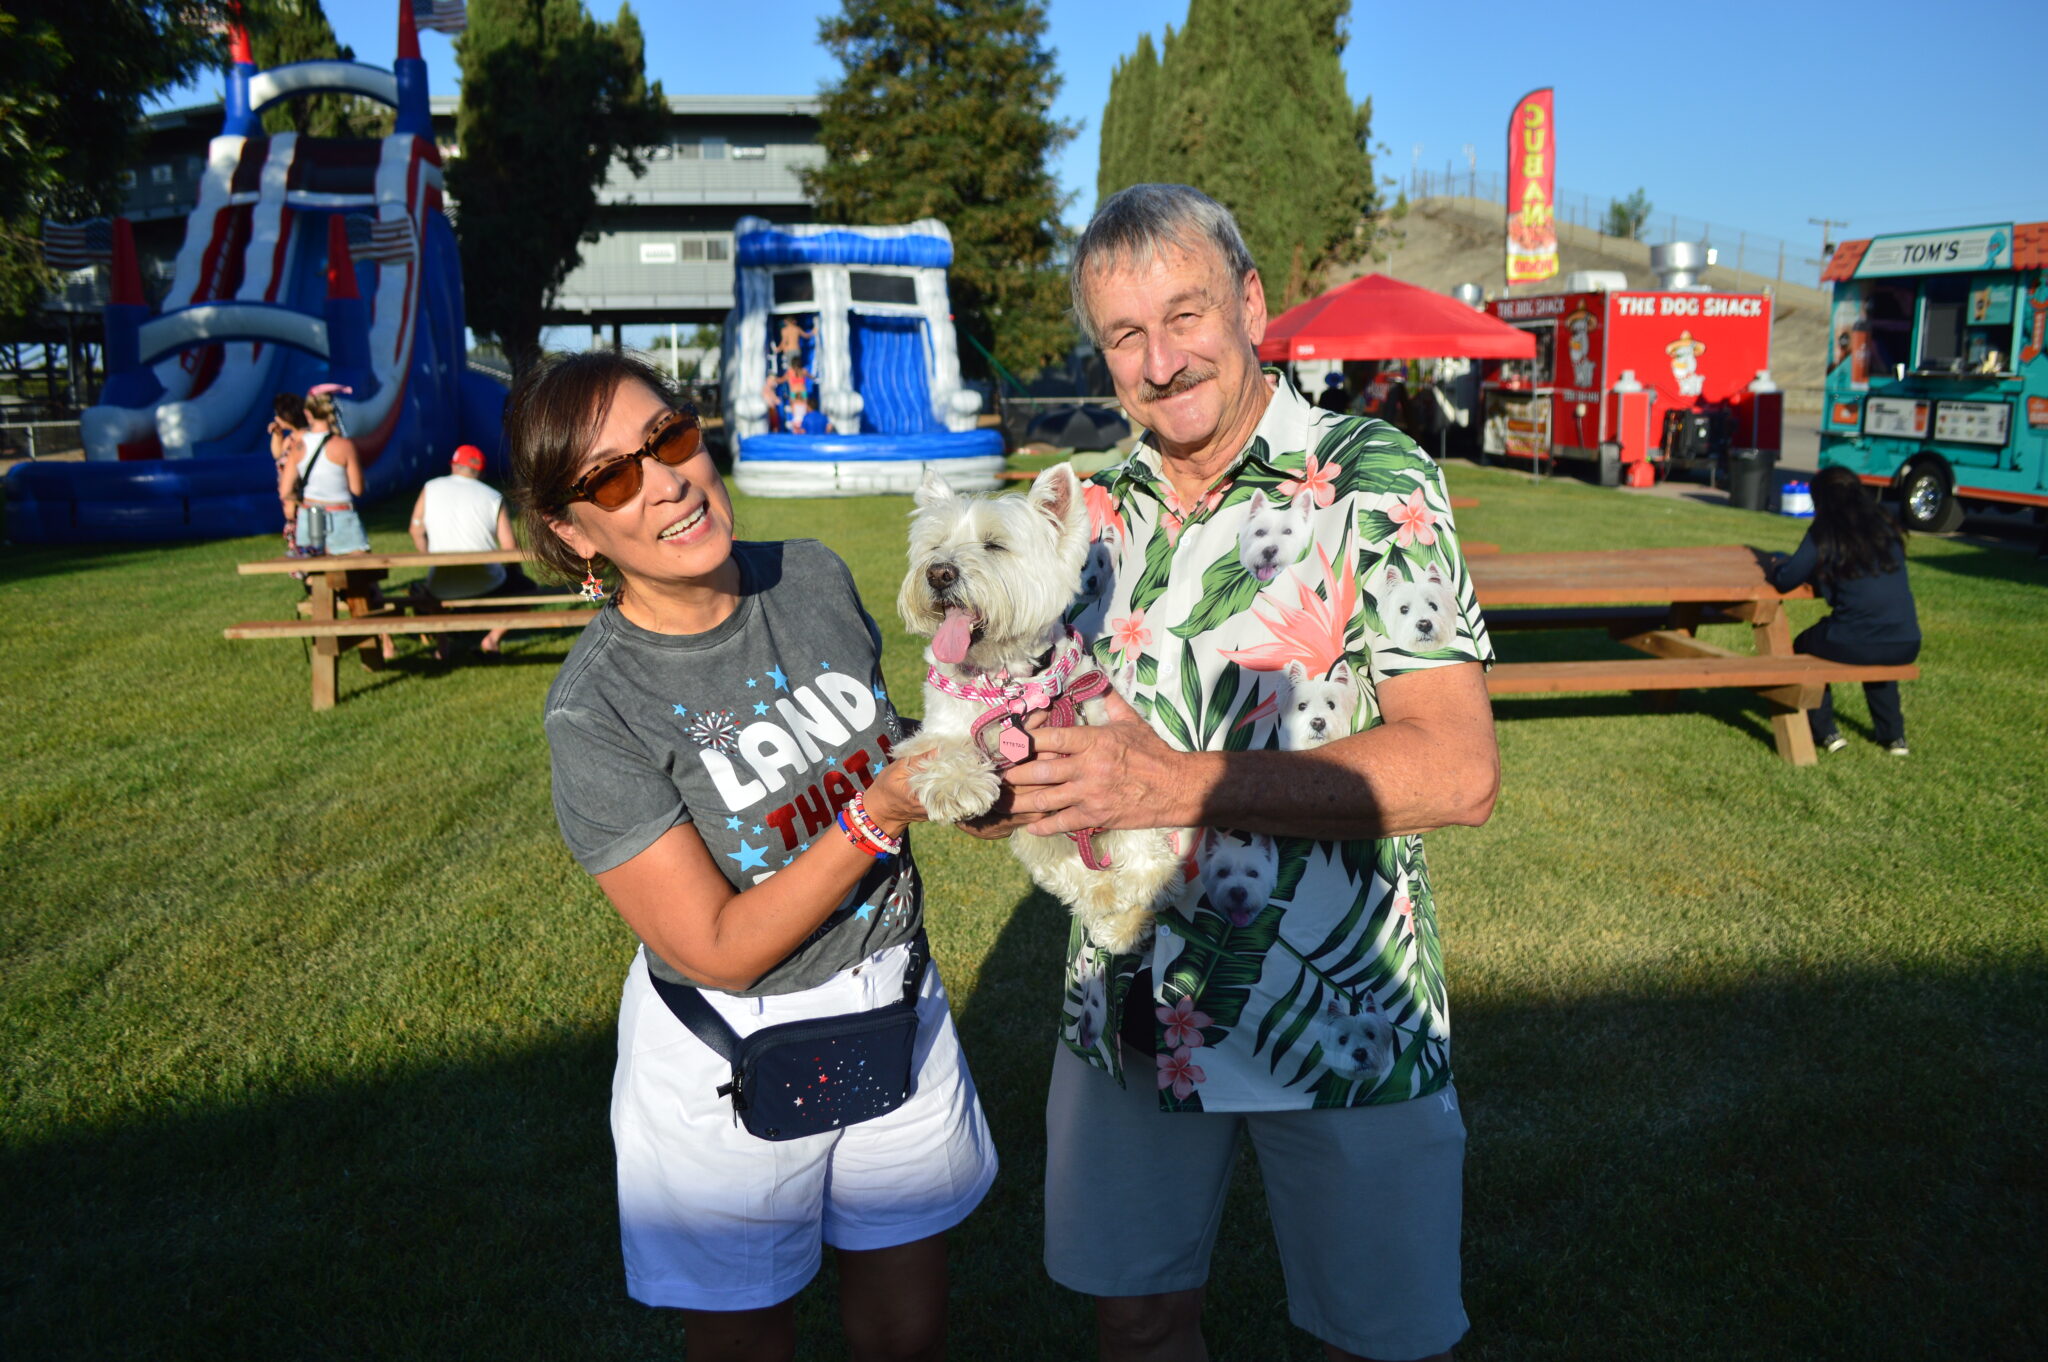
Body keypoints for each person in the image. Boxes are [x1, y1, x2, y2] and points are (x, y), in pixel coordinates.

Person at [978, 183, 1499, 1362]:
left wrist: (1171, 786)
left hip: (1340, 1005)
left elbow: (1457, 770)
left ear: (1251, 301)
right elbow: (1028, 704)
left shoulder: (1374, 476)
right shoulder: (1087, 511)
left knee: (1379, 1336)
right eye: (1123, 336)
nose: (1159, 363)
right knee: (1140, 1319)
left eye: (1185, 315)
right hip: (1126, 1000)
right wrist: (1009, 778)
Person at [506, 350, 996, 1362]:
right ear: (571, 530)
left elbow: (872, 736)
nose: (666, 480)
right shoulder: (597, 711)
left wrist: (975, 766)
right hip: (730, 1051)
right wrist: (883, 812)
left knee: (906, 1332)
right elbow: (718, 945)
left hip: (895, 998)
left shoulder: (810, 573)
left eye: (668, 438)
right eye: (612, 479)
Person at [1769, 465, 1921, 755]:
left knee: (1804, 645)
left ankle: (1826, 732)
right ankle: (1894, 737)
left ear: (1821, 499)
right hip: (1905, 640)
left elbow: (1786, 580)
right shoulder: (1884, 523)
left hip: (1855, 638)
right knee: (1879, 654)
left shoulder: (1826, 530)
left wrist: (1778, 564)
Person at [406, 444, 532, 659]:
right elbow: (509, 547)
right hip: (487, 582)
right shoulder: (493, 496)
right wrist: (514, 573)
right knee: (527, 588)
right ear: (480, 472)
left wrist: (430, 557)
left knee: (427, 589)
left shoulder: (431, 487)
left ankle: (442, 646)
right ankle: (491, 639)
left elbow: (415, 529)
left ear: (454, 466)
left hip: (440, 583)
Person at [280, 384, 372, 556]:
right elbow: (357, 489)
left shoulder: (298, 446)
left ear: (308, 413)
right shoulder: (344, 446)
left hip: (309, 517)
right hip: (341, 516)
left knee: (316, 575)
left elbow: (285, 490)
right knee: (361, 574)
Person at [267, 392, 310, 556]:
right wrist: (278, 435)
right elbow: (278, 455)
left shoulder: (303, 440)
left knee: (307, 555)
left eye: (278, 415)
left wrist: (291, 501)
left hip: (300, 502)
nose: (276, 418)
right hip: (290, 502)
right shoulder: (290, 439)